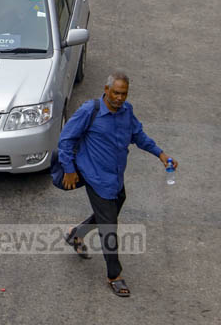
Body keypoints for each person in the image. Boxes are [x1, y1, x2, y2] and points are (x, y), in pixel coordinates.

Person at [58, 71, 177, 298]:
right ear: (106, 90)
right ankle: (114, 275)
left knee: (108, 215)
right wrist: (69, 169)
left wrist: (161, 154)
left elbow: (138, 135)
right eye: (115, 93)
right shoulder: (89, 111)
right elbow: (66, 139)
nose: (119, 98)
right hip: (96, 178)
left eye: (124, 94)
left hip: (116, 179)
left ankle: (75, 234)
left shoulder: (126, 111)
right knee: (109, 227)